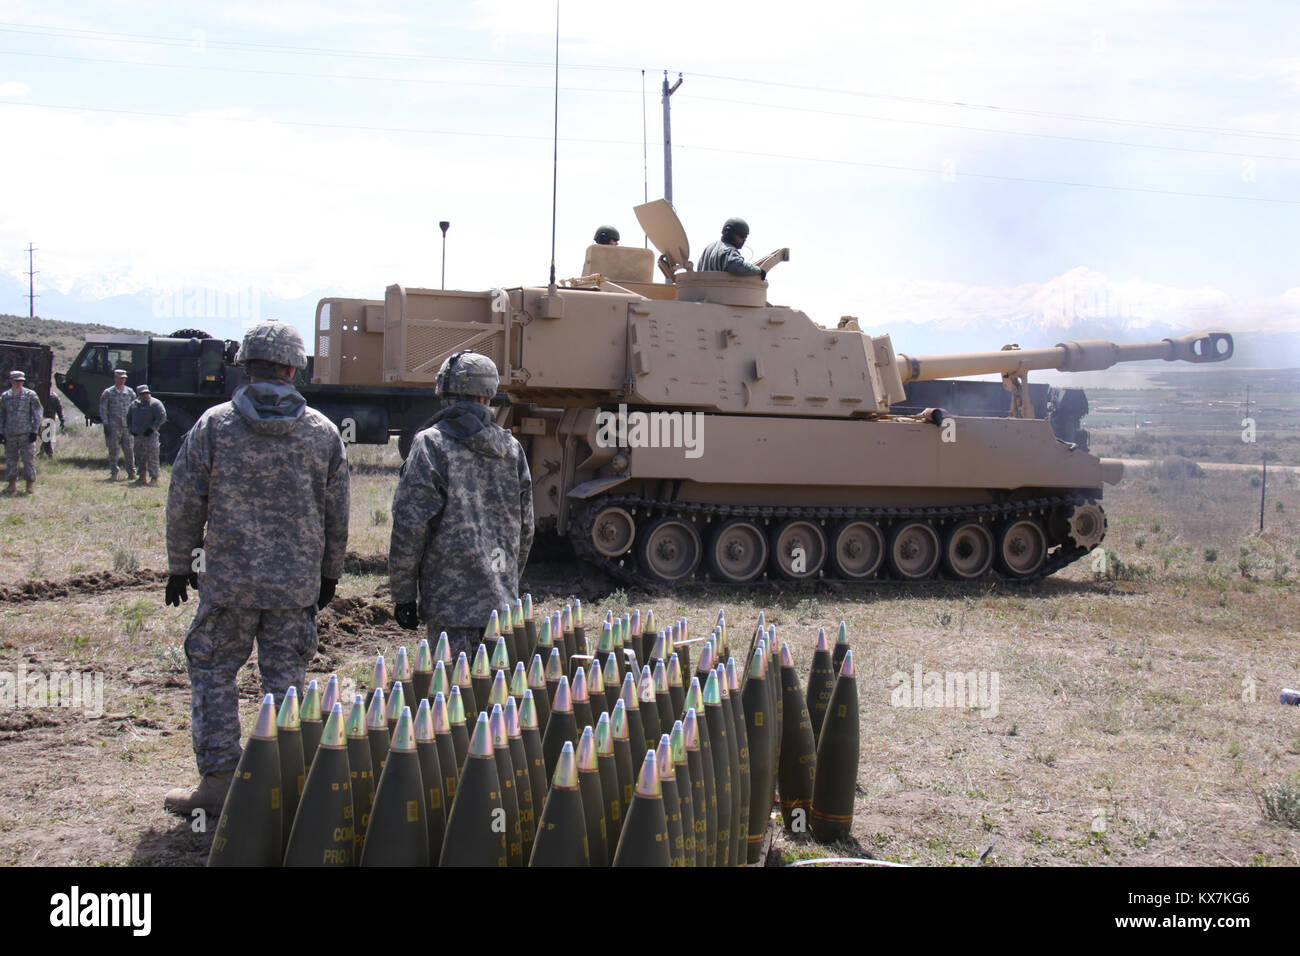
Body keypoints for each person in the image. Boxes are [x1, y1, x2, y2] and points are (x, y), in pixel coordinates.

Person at [162, 320, 350, 816]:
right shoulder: (324, 432)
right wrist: (329, 573)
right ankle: (283, 785)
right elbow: (337, 512)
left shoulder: (214, 424)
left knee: (213, 672)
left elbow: (185, 499)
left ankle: (221, 782)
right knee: (287, 680)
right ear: (293, 368)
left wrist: (180, 565)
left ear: (246, 366)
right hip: (295, 587)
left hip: (228, 584)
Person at [388, 351, 534, 659]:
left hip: (448, 607)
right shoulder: (512, 449)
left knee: (451, 697)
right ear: (488, 394)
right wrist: (505, 582)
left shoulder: (431, 444)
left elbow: (410, 524)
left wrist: (403, 595)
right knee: (494, 698)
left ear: (444, 392)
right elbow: (526, 529)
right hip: (500, 606)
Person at [0, 370, 42, 494]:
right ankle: (11, 485)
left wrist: (34, 431)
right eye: (16, 381)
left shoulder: (30, 395)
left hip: (26, 433)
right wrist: (1, 432)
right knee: (11, 459)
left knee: (28, 459)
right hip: (10, 433)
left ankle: (29, 485)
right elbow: (1, 415)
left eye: (21, 381)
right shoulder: (5, 397)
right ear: (11, 381)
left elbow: (38, 413)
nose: (19, 383)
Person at [697, 217, 766, 278]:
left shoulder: (709, 248)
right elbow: (737, 267)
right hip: (722, 292)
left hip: (703, 291)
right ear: (729, 233)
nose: (744, 240)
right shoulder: (729, 250)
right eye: (742, 236)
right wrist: (759, 270)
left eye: (745, 237)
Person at [99, 369, 136, 481]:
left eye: (124, 378)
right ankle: (114, 473)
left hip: (127, 427)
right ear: (115, 378)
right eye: (120, 378)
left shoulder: (130, 392)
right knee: (113, 451)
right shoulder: (108, 393)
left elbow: (134, 408)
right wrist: (106, 423)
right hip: (113, 426)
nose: (122, 380)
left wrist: (134, 423)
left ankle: (131, 473)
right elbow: (103, 409)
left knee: (129, 450)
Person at [127, 384, 167, 485]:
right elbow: (128, 417)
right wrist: (131, 429)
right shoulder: (134, 405)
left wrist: (152, 428)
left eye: (146, 393)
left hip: (150, 436)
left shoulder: (155, 404)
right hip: (138, 436)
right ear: (138, 395)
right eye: (142, 394)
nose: (145, 395)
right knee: (139, 456)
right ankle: (142, 477)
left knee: (152, 456)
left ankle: (154, 478)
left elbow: (162, 417)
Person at [39, 391, 64, 458]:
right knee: (45, 438)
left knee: (47, 438)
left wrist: (62, 419)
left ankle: (47, 453)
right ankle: (46, 452)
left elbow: (59, 408)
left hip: (49, 420)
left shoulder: (54, 397)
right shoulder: (37, 394)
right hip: (39, 420)